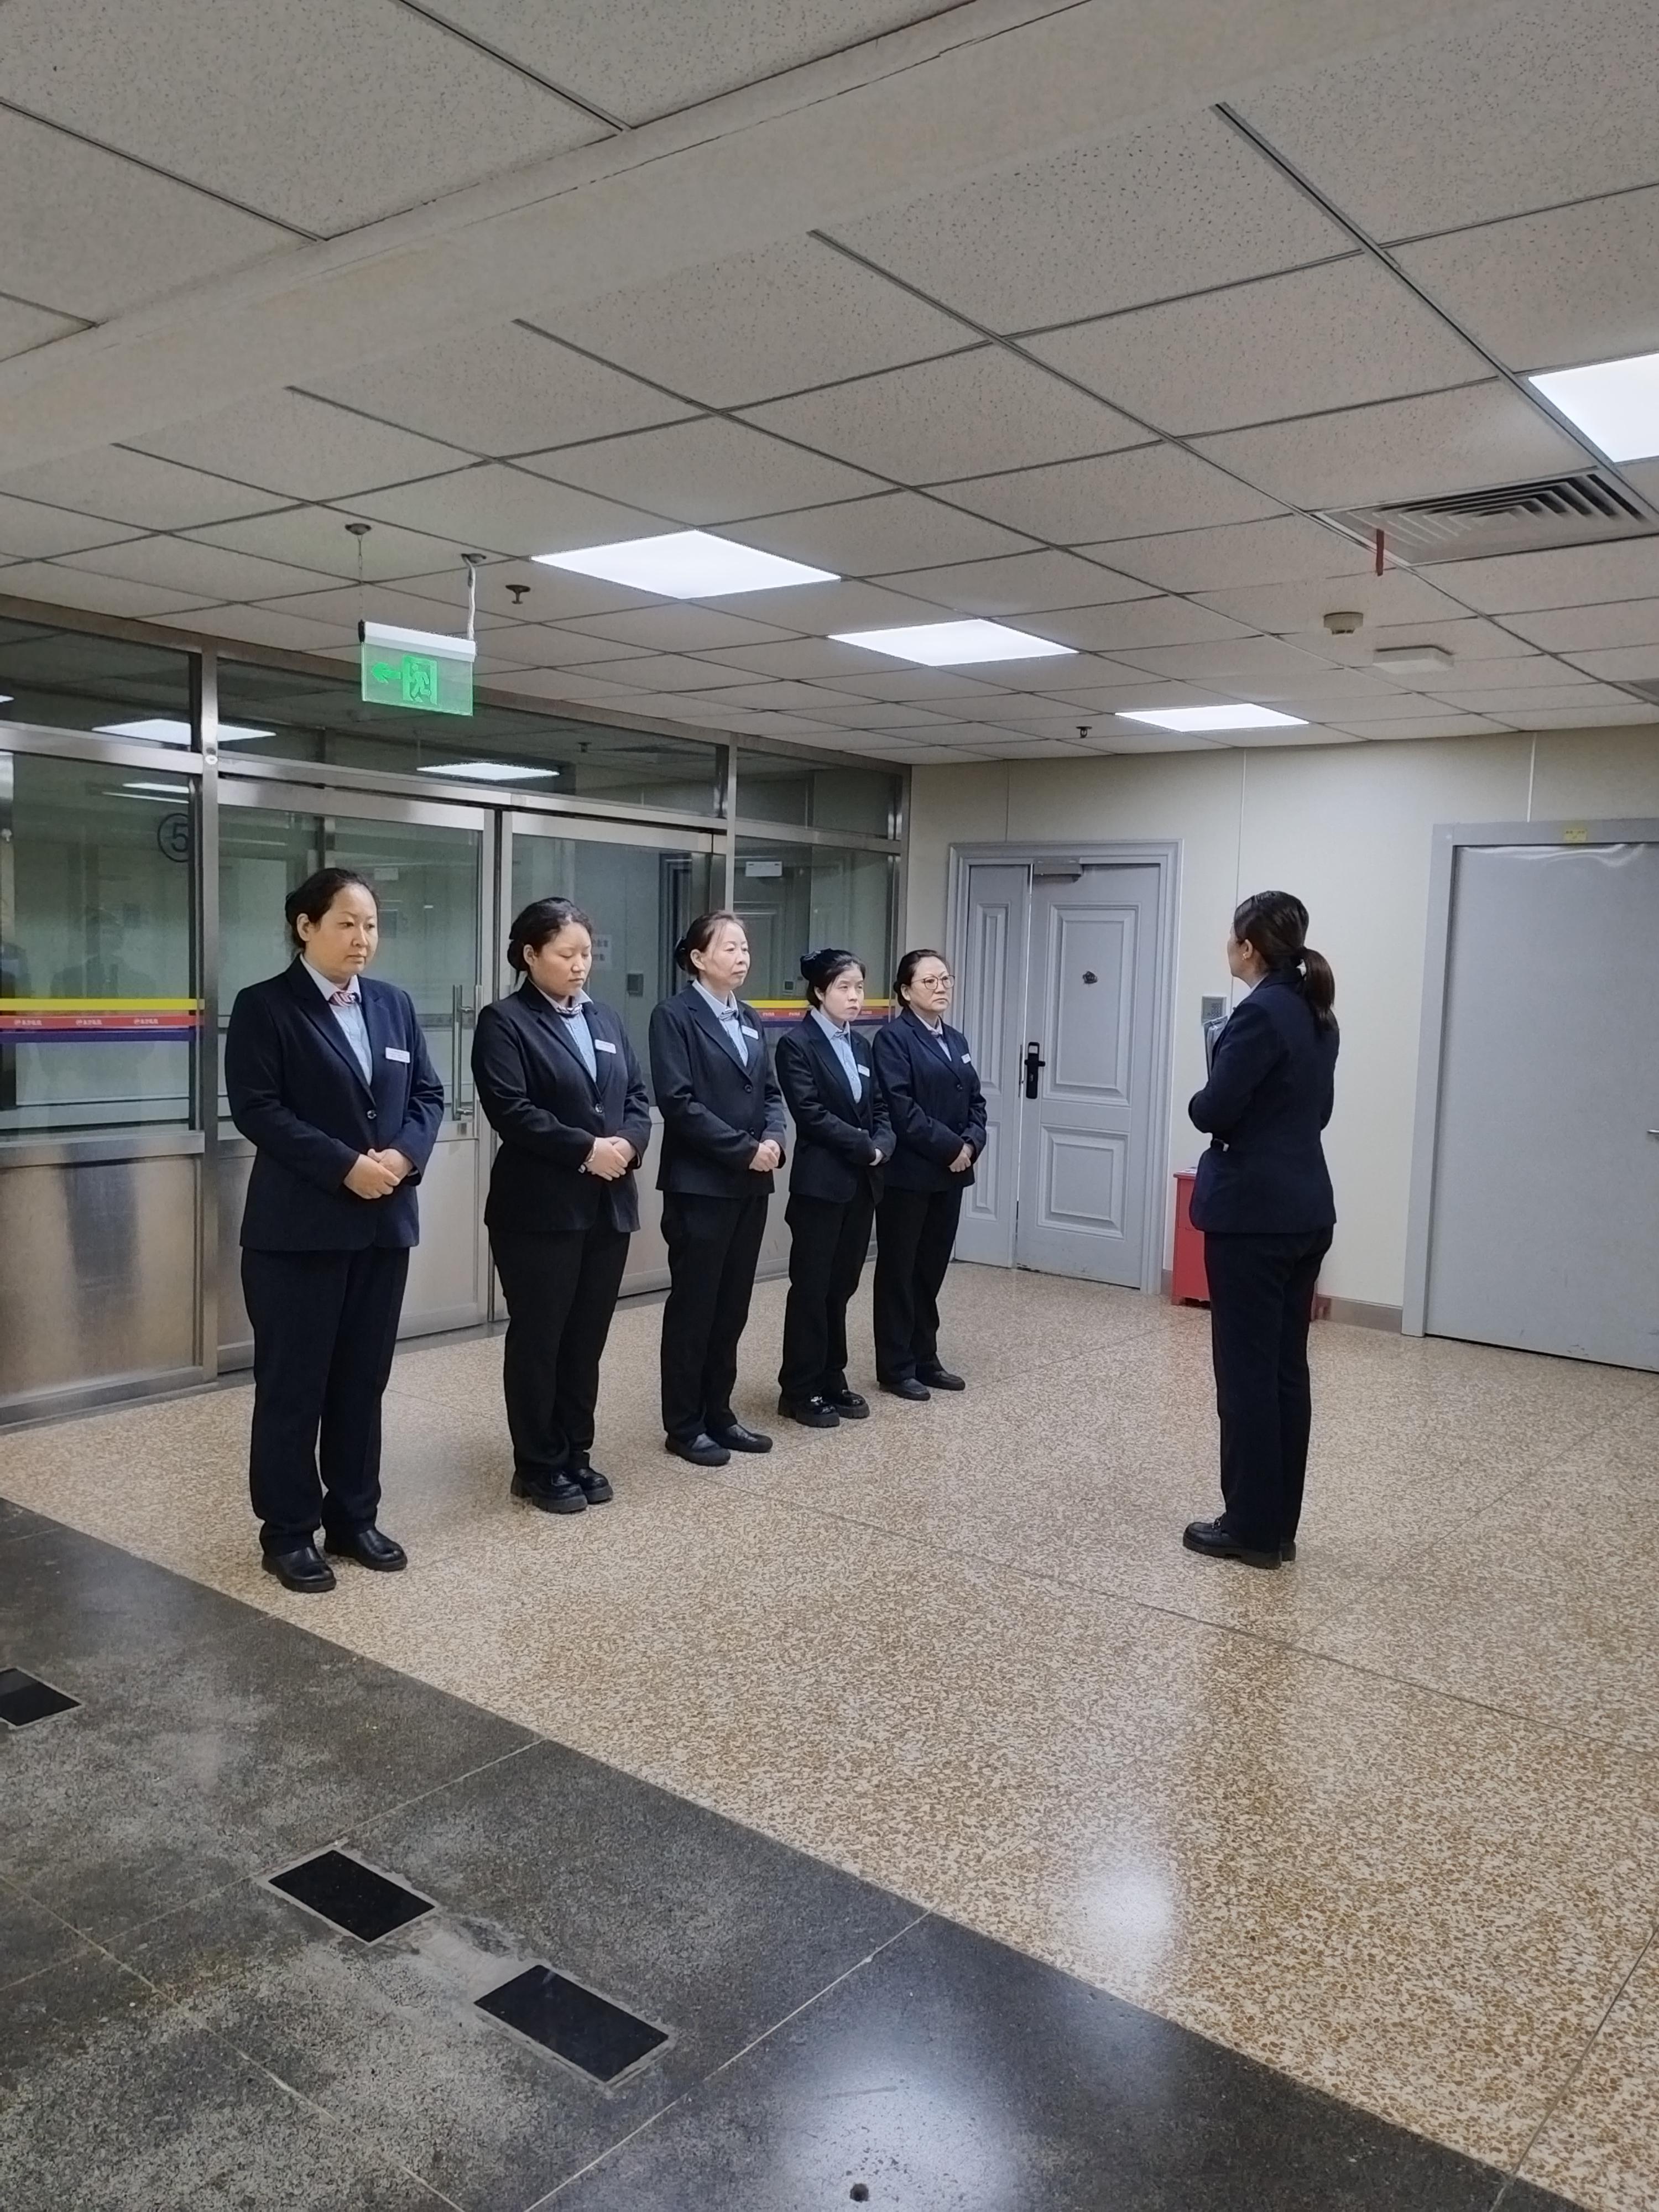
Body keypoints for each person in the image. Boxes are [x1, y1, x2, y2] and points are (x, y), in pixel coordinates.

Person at [224, 867, 444, 1593]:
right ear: (305, 926)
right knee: (295, 1385)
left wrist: (404, 1157)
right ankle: (289, 1531)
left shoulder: (392, 1005)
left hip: (383, 1226)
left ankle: (354, 1516)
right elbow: (259, 1108)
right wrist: (345, 1166)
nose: (362, 939)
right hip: (300, 1232)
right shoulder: (266, 1007)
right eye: (347, 923)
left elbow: (428, 1094)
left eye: (371, 925)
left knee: (362, 1380)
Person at [472, 897, 652, 1516]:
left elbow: (637, 1095)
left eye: (586, 954)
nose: (580, 966)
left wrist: (628, 1144)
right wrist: (586, 1150)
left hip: (608, 1204)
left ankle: (576, 1449)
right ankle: (538, 1463)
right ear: (530, 955)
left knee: (585, 1339)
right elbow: (511, 1109)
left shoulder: (605, 1018)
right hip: (539, 1210)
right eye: (566, 954)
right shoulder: (505, 1022)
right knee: (541, 1337)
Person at [1183, 890, 1339, 1571]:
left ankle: (1248, 1526)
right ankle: (1279, 1526)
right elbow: (1317, 1111)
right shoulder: (1317, 1011)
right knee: (1284, 1372)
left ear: (1248, 947)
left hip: (1253, 1216)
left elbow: (1214, 1109)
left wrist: (1204, 1093)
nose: (1229, 946)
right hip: (1306, 1208)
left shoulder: (1257, 1014)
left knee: (1246, 1375)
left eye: (1232, 938)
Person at [649, 910, 787, 1467]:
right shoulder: (674, 1016)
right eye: (729, 947)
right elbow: (679, 1102)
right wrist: (743, 1149)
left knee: (732, 1306)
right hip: (701, 1186)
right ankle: (685, 1425)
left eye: (745, 947)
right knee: (696, 1306)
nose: (741, 957)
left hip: (751, 1185)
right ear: (698, 958)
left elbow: (770, 1092)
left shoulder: (750, 1016)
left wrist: (773, 1138)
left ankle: (720, 1413)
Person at [774, 947, 893, 1428]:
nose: (854, 996)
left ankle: (832, 1376)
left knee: (842, 1286)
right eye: (844, 987)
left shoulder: (861, 1045)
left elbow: (880, 1107)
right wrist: (865, 1146)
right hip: (821, 1187)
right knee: (812, 1287)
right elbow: (811, 1114)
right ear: (820, 992)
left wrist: (883, 1144)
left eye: (860, 987)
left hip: (862, 1185)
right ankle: (799, 1387)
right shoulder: (797, 1045)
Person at [871, 947, 986, 1400]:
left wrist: (971, 1144)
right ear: (906, 991)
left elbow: (976, 1101)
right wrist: (950, 1147)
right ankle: (896, 1365)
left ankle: (925, 1356)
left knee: (931, 1268)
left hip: (952, 1174)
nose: (941, 988)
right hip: (910, 1174)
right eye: (929, 981)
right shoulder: (893, 1040)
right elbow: (901, 1110)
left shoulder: (956, 1039)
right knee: (900, 1270)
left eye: (946, 980)